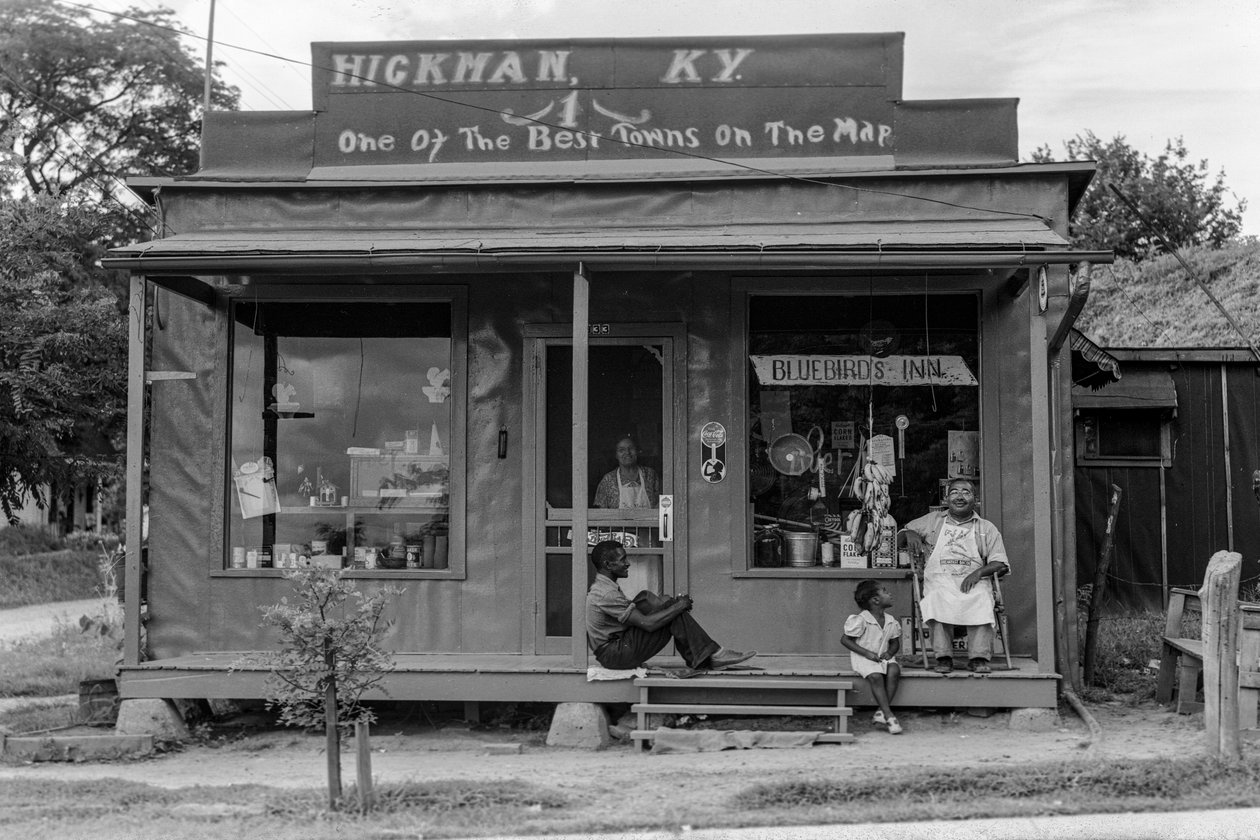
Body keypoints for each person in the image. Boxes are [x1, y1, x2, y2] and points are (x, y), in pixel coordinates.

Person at [585, 540, 756, 673]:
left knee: (656, 601)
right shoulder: (606, 593)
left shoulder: (605, 587)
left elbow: (639, 608)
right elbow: (648, 624)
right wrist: (677, 606)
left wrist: (667, 605)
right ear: (608, 565)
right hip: (615, 655)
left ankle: (706, 657)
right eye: (623, 559)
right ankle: (711, 655)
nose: (628, 563)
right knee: (673, 611)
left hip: (617, 650)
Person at [900, 477, 1009, 674]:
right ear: (946, 498)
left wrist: (978, 573)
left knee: (982, 599)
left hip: (973, 581)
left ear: (975, 499)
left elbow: (1000, 562)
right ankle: (943, 657)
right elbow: (902, 534)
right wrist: (909, 533)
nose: (960, 497)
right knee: (936, 598)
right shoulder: (932, 521)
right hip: (940, 580)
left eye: (966, 492)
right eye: (954, 492)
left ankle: (978, 658)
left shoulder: (986, 528)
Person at [841, 579, 903, 734]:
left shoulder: (890, 621)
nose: (889, 593)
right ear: (875, 600)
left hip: (882, 656)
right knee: (875, 676)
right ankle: (889, 715)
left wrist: (890, 653)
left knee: (894, 670)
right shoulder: (861, 620)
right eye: (884, 591)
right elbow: (845, 640)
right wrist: (867, 653)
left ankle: (881, 712)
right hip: (863, 657)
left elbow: (895, 643)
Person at [593, 435, 661, 508]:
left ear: (637, 451)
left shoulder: (650, 474)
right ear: (616, 455)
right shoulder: (608, 480)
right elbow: (602, 513)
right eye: (621, 450)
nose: (627, 452)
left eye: (631, 448)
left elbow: (662, 503)